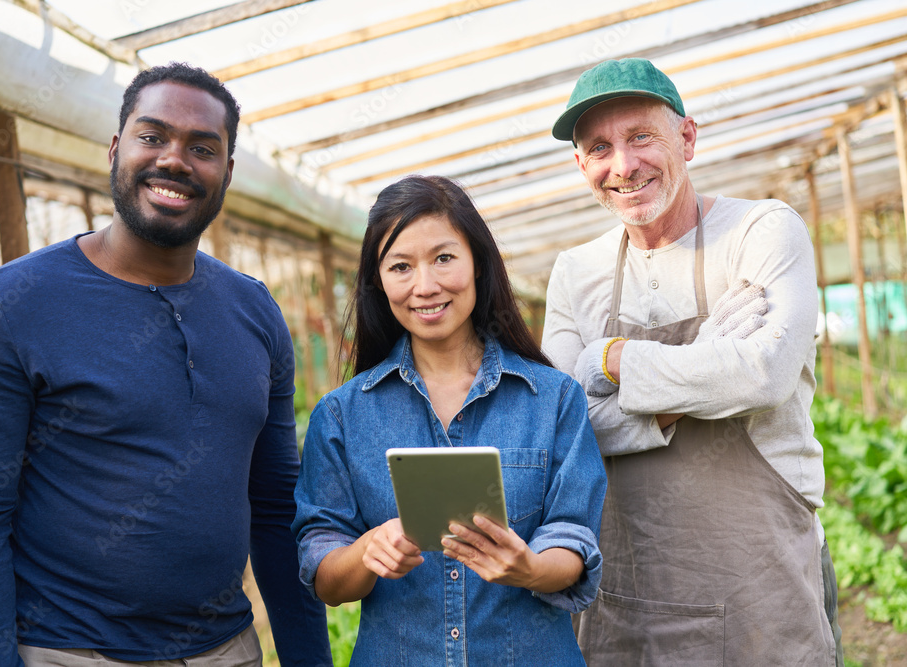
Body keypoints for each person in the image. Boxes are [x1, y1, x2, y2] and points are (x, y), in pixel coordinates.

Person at [0, 62, 331, 666]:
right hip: (68, 651)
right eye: (152, 137)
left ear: (226, 171)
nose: (174, 160)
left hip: (227, 649)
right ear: (116, 149)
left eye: (203, 147)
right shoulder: (15, 305)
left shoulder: (254, 311)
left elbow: (276, 508)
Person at [542, 57, 842, 665]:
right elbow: (564, 426)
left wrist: (614, 358)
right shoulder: (576, 272)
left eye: (642, 136)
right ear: (581, 165)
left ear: (687, 136)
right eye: (599, 147)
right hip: (624, 598)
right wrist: (701, 371)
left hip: (762, 587)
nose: (622, 165)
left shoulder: (761, 230)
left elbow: (764, 374)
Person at [292, 175, 607, 666]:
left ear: (478, 263)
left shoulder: (553, 400)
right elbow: (324, 571)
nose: (425, 286)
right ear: (378, 281)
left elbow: (574, 537)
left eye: (443, 258)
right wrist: (367, 552)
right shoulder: (341, 415)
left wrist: (530, 568)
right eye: (401, 266)